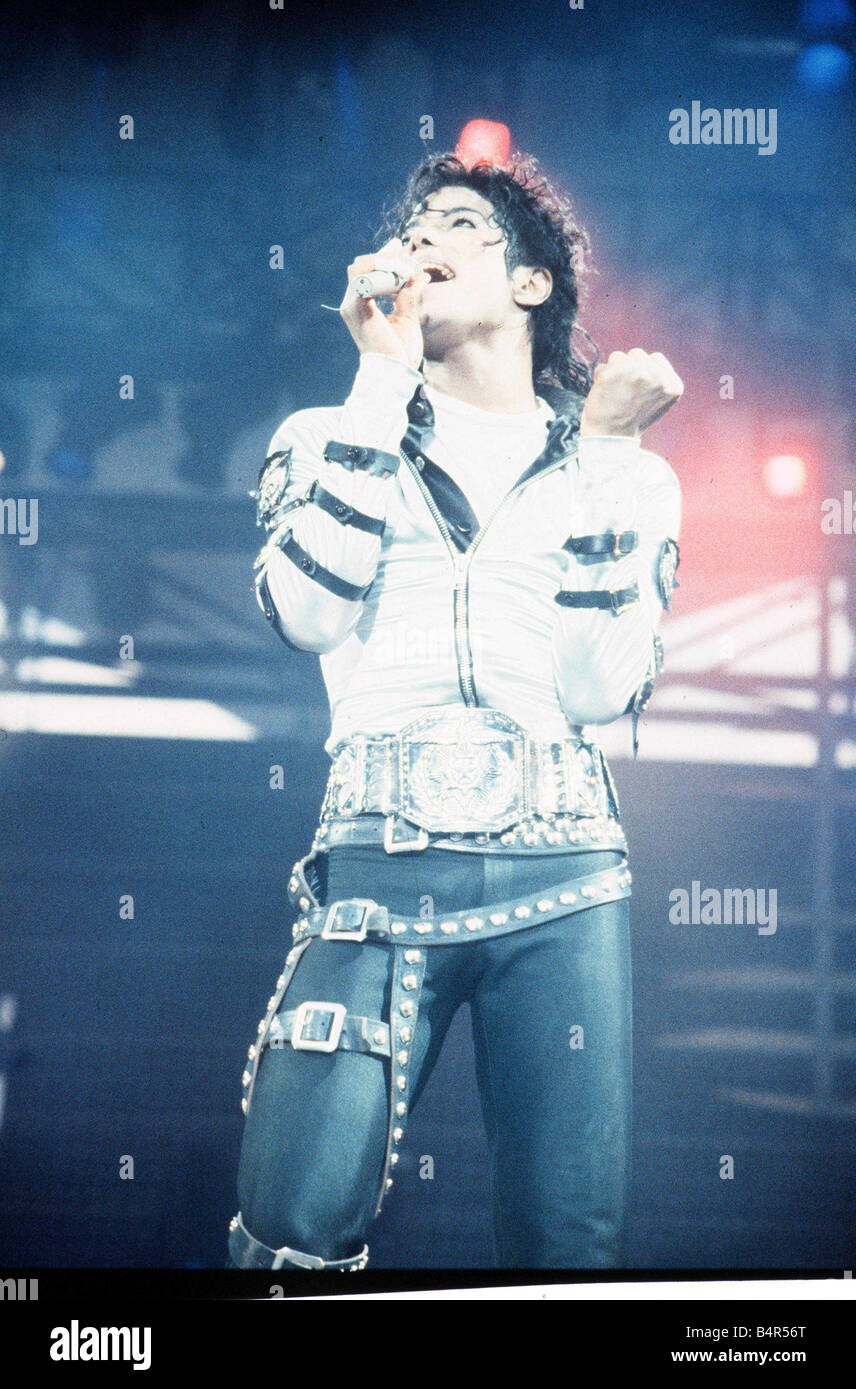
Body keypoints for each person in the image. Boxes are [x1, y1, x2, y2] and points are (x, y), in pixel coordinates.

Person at [229, 147, 683, 1271]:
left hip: (566, 874)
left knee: (567, 1245)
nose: (424, 234)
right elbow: (305, 614)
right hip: (379, 864)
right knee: (291, 1225)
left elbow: (592, 688)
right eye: (413, 223)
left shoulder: (623, 464)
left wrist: (610, 452)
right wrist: (378, 381)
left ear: (531, 283)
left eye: (461, 223)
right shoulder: (327, 433)